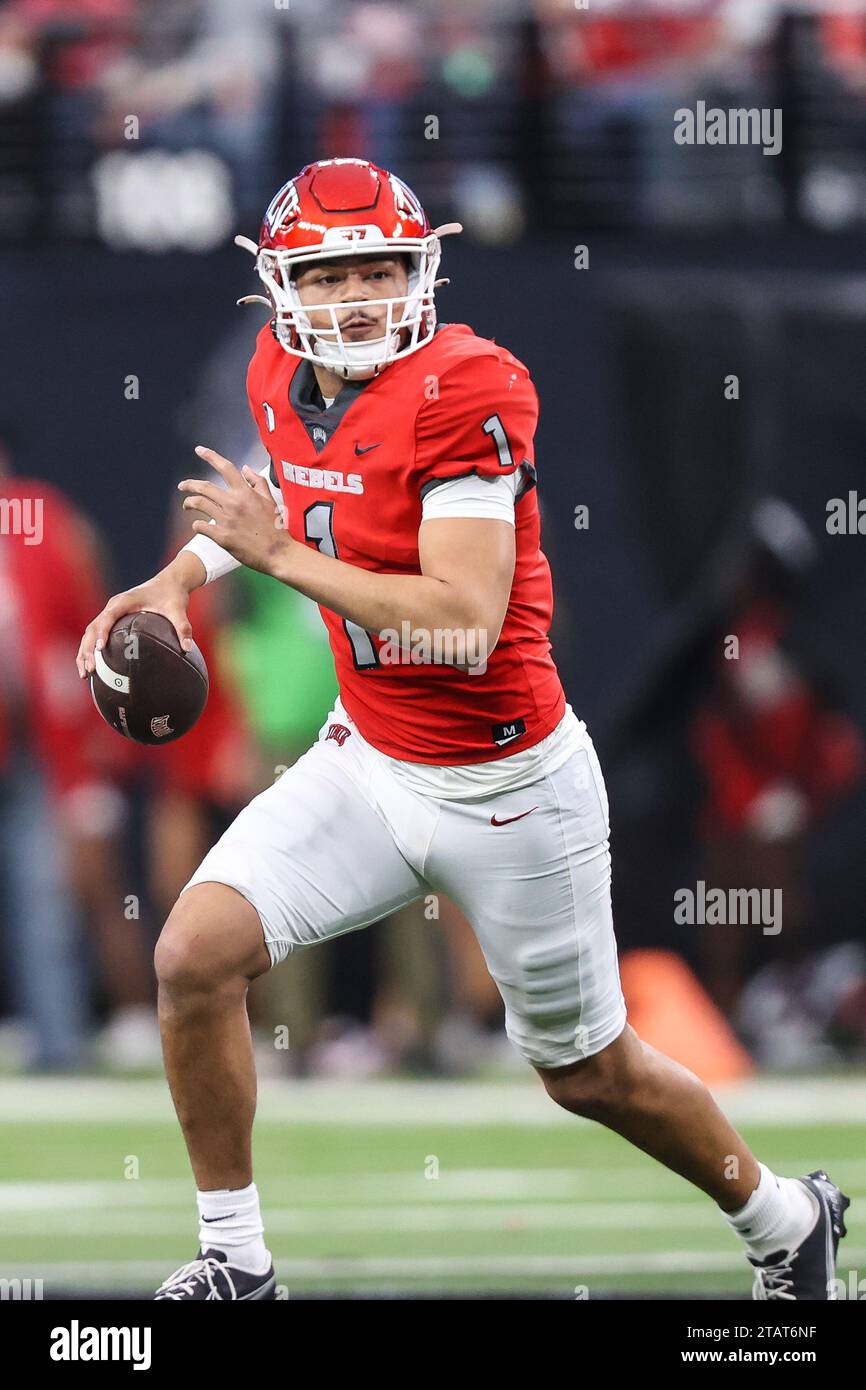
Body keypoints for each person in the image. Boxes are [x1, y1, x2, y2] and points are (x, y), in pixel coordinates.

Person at [76, 158, 849, 1301]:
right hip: (371, 759)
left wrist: (278, 556)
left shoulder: (467, 386)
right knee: (193, 957)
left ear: (420, 271)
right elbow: (295, 488)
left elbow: (463, 621)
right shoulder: (280, 367)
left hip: (510, 787)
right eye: (333, 275)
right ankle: (236, 1261)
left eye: (382, 269)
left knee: (589, 1073)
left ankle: (786, 1220)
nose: (361, 297)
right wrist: (178, 577)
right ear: (282, 289)